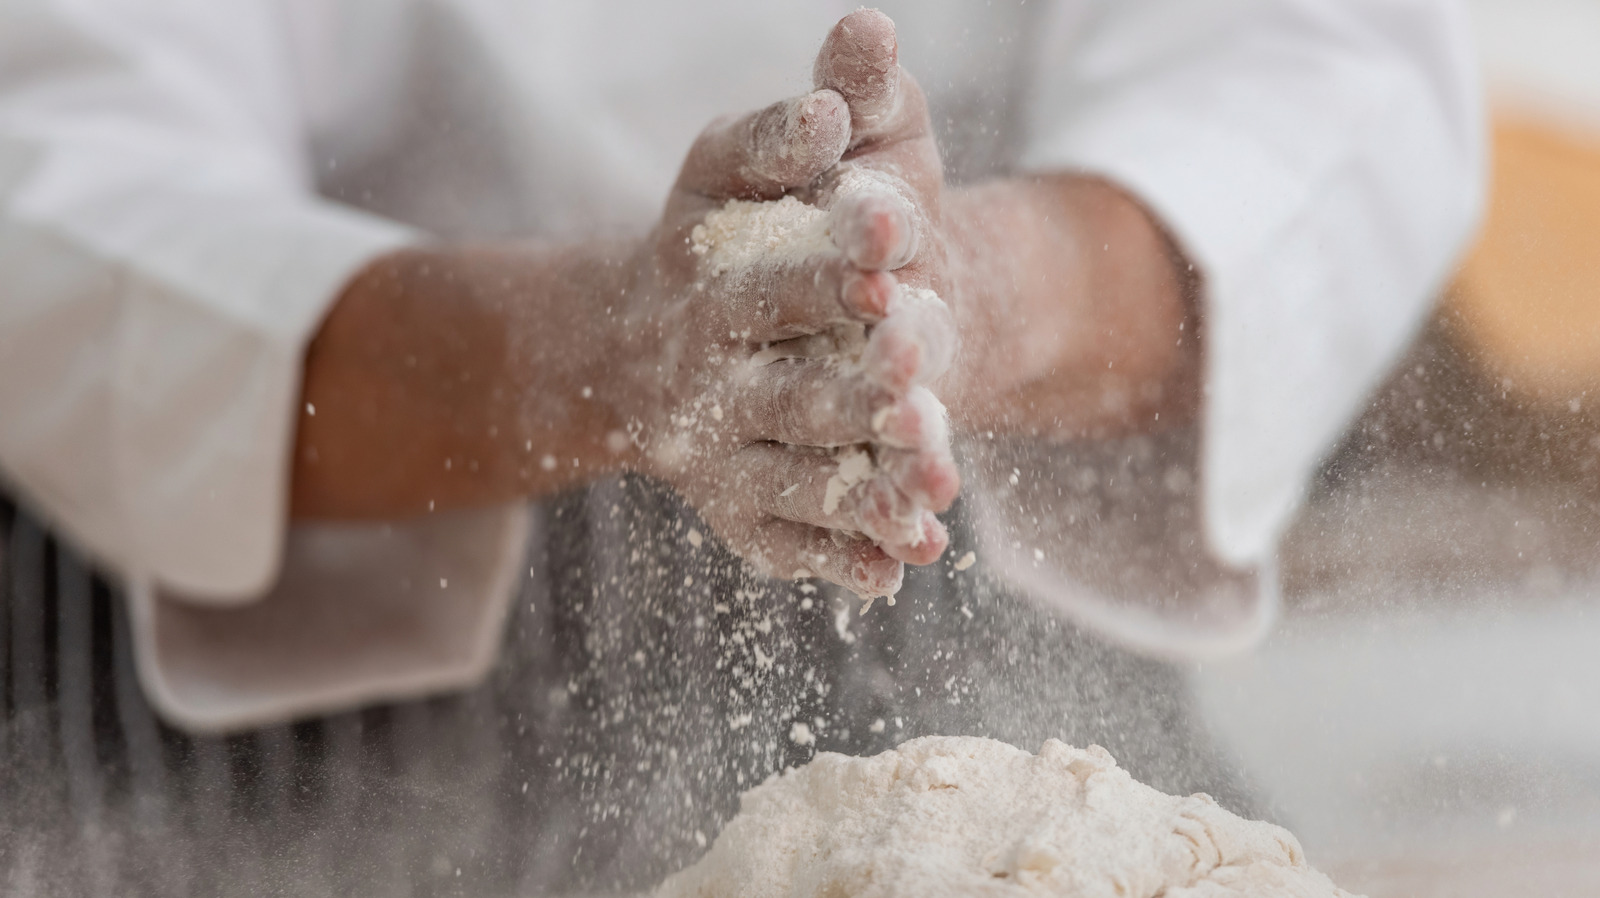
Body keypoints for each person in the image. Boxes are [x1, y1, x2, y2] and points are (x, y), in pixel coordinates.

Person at [0, 4, 1481, 885]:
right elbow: (57, 201)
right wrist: (591, 346)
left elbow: (1324, 64)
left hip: (970, 574)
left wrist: (972, 287)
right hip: (290, 635)